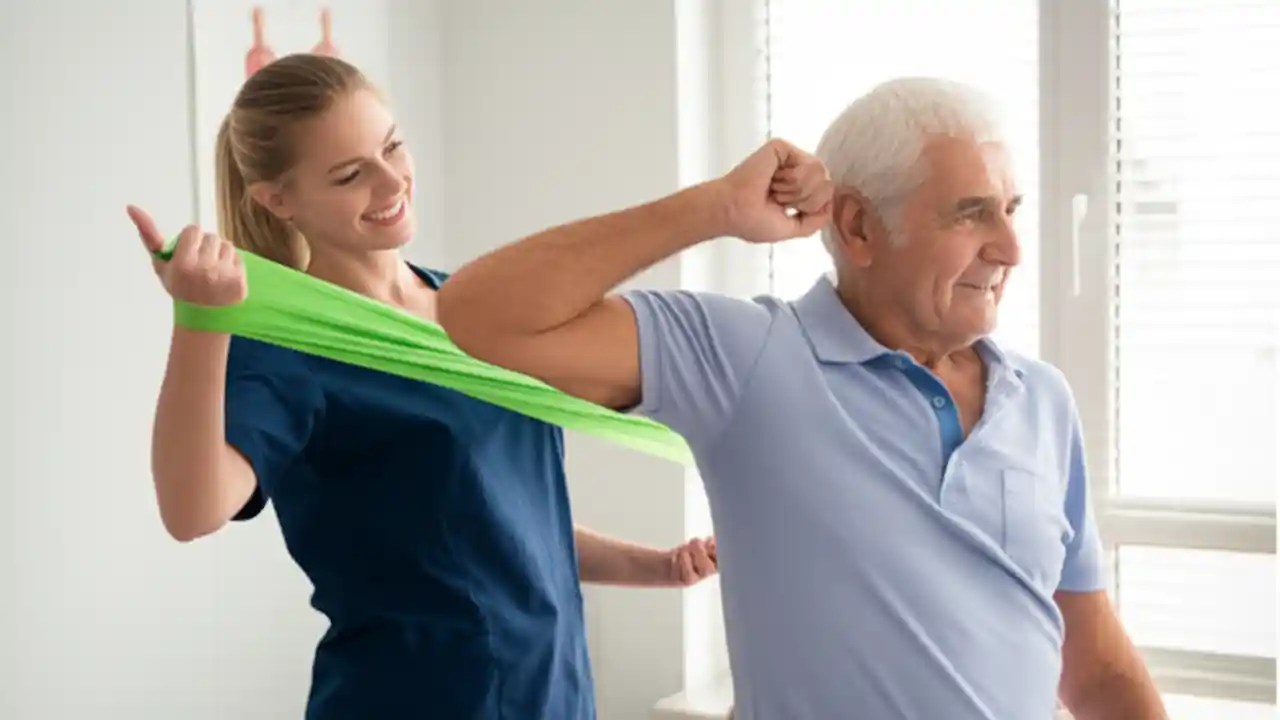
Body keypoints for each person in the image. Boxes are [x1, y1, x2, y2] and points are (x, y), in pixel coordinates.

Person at [436, 77, 1167, 719]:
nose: (1010, 247)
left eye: (1010, 207)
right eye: (971, 213)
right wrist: (716, 207)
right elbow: (482, 314)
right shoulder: (745, 356)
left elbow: (1096, 668)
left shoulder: (1041, 400)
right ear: (856, 226)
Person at [125, 53, 719, 720]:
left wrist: (657, 568)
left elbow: (498, 521)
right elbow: (191, 510)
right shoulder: (293, 352)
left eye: (392, 147)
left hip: (552, 692)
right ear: (277, 198)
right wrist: (201, 322)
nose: (390, 182)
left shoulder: (472, 308)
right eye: (350, 175)